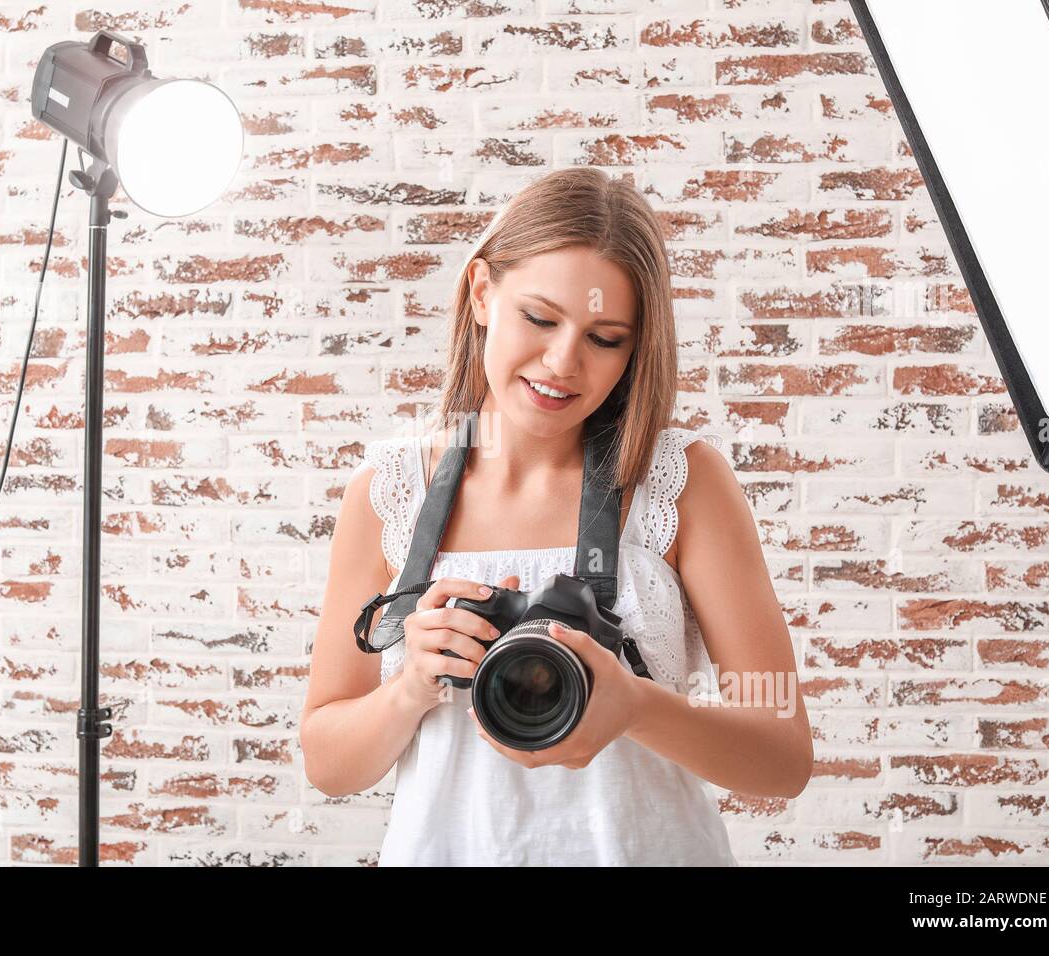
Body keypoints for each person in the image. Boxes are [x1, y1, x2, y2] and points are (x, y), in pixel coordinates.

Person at [300, 167, 813, 866]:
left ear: (637, 349)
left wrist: (633, 705)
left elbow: (782, 757)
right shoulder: (388, 492)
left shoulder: (682, 483)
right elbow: (328, 763)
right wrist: (413, 684)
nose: (563, 362)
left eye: (606, 338)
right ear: (483, 293)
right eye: (539, 318)